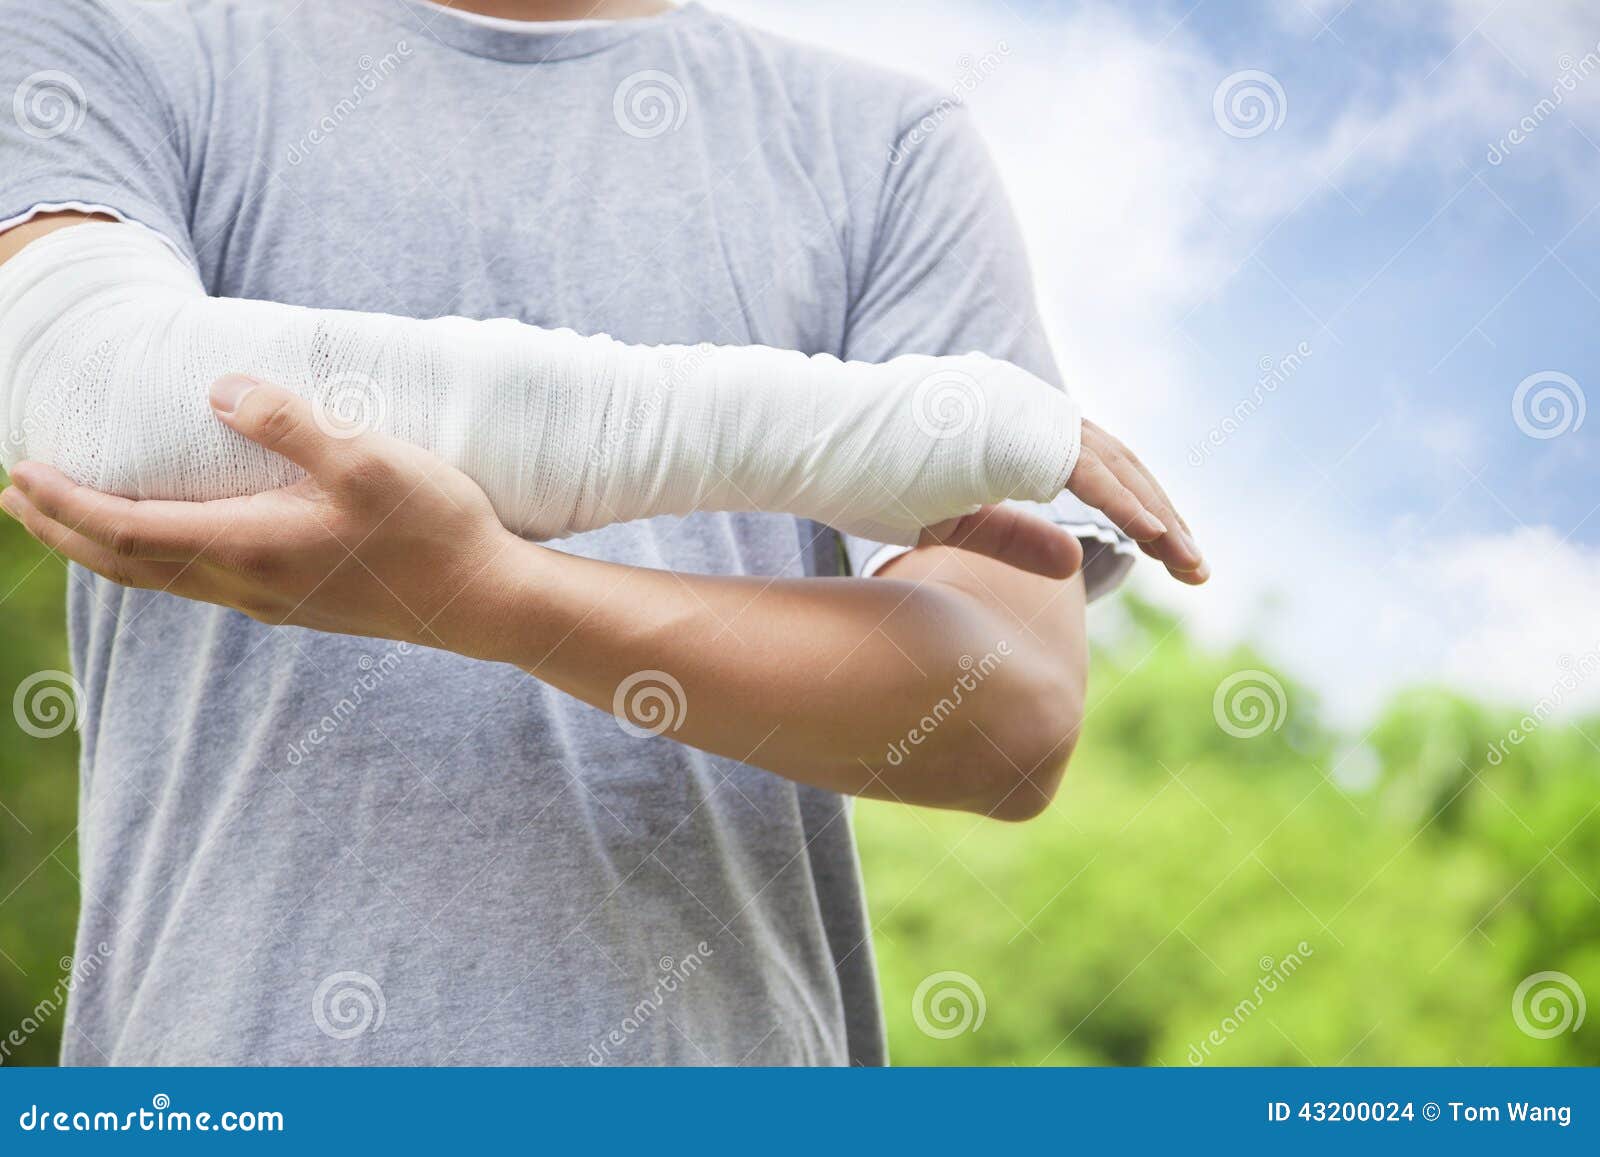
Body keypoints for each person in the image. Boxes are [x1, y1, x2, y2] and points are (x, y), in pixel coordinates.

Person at [0, 0, 1204, 1066]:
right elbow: (101, 398)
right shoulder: (99, 34)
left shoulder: (888, 146)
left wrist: (495, 599)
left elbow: (1008, 714)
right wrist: (871, 426)